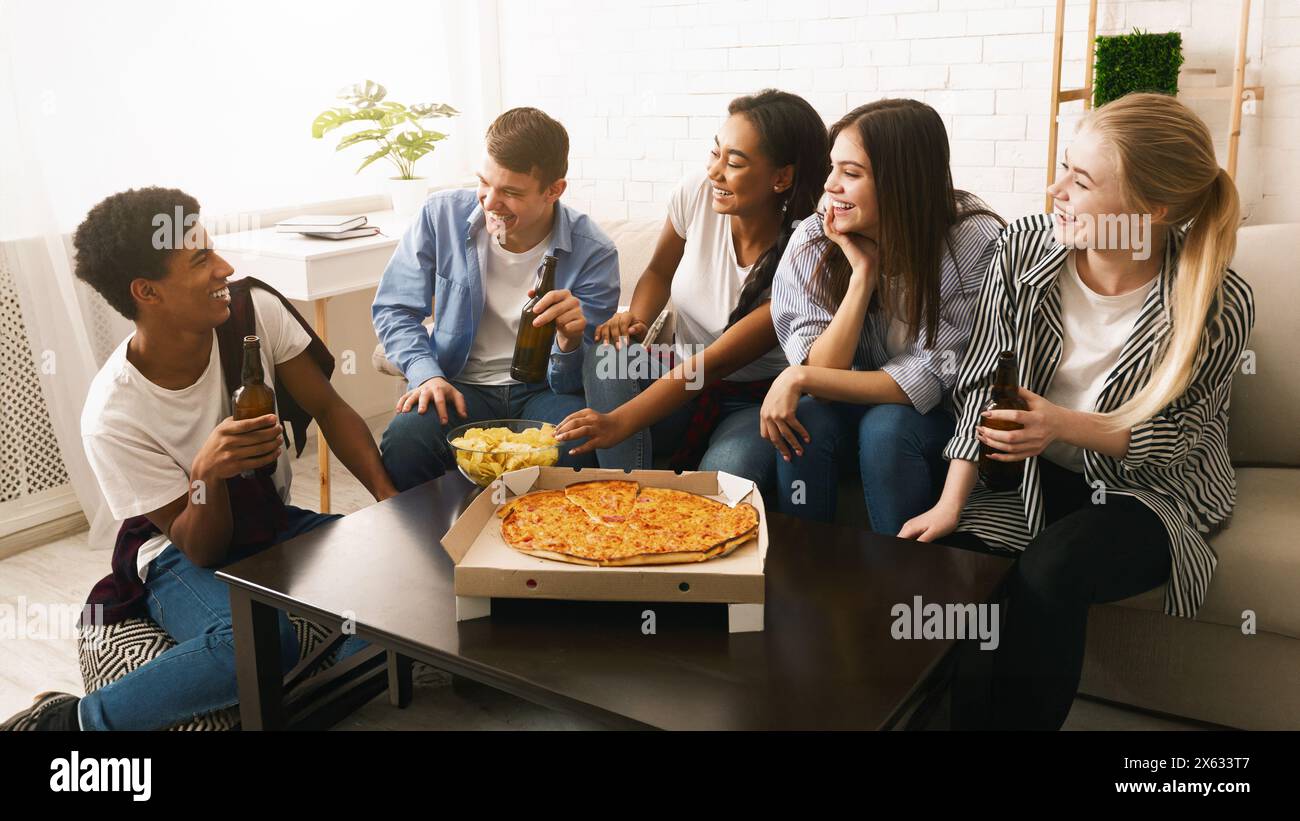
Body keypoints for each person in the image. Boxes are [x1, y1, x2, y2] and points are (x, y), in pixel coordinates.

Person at [899, 93, 1255, 730]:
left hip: (1148, 491)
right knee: (958, 572)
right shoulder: (1022, 249)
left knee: (1052, 570)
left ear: (1151, 210)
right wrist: (952, 502)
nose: (1054, 189)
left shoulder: (1216, 299)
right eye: (1064, 167)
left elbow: (1175, 441)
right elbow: (982, 379)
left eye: (1081, 180)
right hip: (1037, 478)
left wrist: (1060, 424)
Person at [1, 187, 397, 731]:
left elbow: (329, 408)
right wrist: (207, 473)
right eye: (201, 260)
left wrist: (391, 506)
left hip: (274, 527)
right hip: (176, 553)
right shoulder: (113, 414)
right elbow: (201, 546)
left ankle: (303, 705)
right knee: (256, 643)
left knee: (400, 585)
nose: (225, 268)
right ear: (147, 292)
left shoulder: (253, 312)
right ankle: (69, 723)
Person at [554, 90, 828, 494]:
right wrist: (639, 320)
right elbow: (658, 271)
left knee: (724, 478)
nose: (715, 172)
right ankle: (626, 502)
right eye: (715, 153)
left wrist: (620, 422)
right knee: (607, 353)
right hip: (675, 368)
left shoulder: (808, 252)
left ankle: (651, 507)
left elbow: (713, 364)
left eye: (734, 162)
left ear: (781, 178)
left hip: (754, 401)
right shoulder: (698, 192)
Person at [764, 99, 1003, 532]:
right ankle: (803, 576)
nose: (831, 185)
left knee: (887, 427)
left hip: (946, 420)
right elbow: (825, 371)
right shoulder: (818, 235)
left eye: (851, 173)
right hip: (854, 406)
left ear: (903, 182)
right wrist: (863, 276)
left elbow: (929, 379)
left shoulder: (974, 242)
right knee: (809, 421)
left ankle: (905, 585)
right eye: (832, 167)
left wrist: (796, 377)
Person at [373, 107, 619, 490]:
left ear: (553, 190)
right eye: (484, 183)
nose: (489, 201)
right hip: (458, 384)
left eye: (511, 192)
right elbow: (395, 308)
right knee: (406, 441)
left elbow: (575, 379)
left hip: (543, 392)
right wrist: (426, 373)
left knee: (577, 444)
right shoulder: (441, 216)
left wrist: (571, 343)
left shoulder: (594, 253)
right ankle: (433, 544)